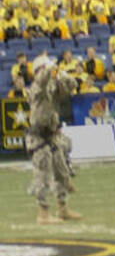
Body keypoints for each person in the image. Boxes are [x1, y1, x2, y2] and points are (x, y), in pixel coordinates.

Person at [25, 54, 81, 224]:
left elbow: (73, 86)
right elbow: (41, 80)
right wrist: (49, 68)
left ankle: (63, 208)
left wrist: (62, 74)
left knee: (61, 171)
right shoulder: (35, 87)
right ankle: (43, 213)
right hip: (38, 136)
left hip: (51, 135)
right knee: (43, 174)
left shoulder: (52, 87)